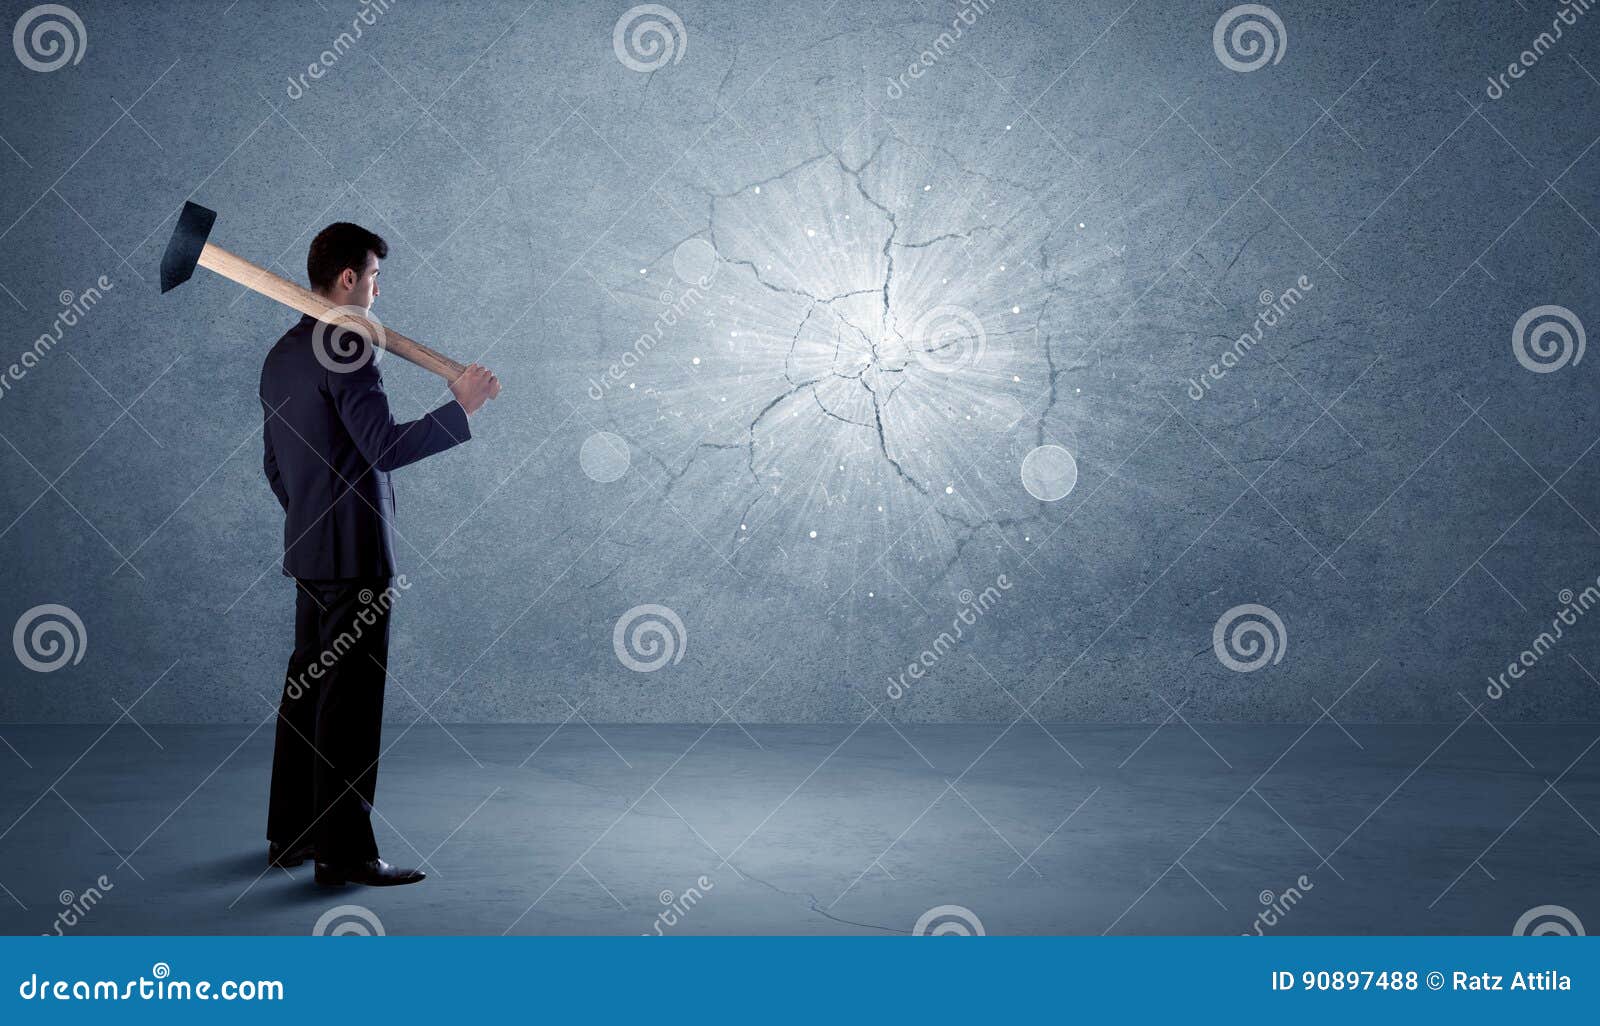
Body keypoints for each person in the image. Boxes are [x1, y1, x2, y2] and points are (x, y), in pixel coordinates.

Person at [259, 222, 499, 887]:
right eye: (374, 277)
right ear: (348, 280)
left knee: (306, 694)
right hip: (357, 558)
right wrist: (461, 409)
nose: (375, 289)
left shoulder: (280, 354)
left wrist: (313, 518)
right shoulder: (348, 345)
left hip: (309, 554)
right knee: (349, 705)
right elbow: (384, 448)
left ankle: (291, 836)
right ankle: (345, 853)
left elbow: (274, 467)